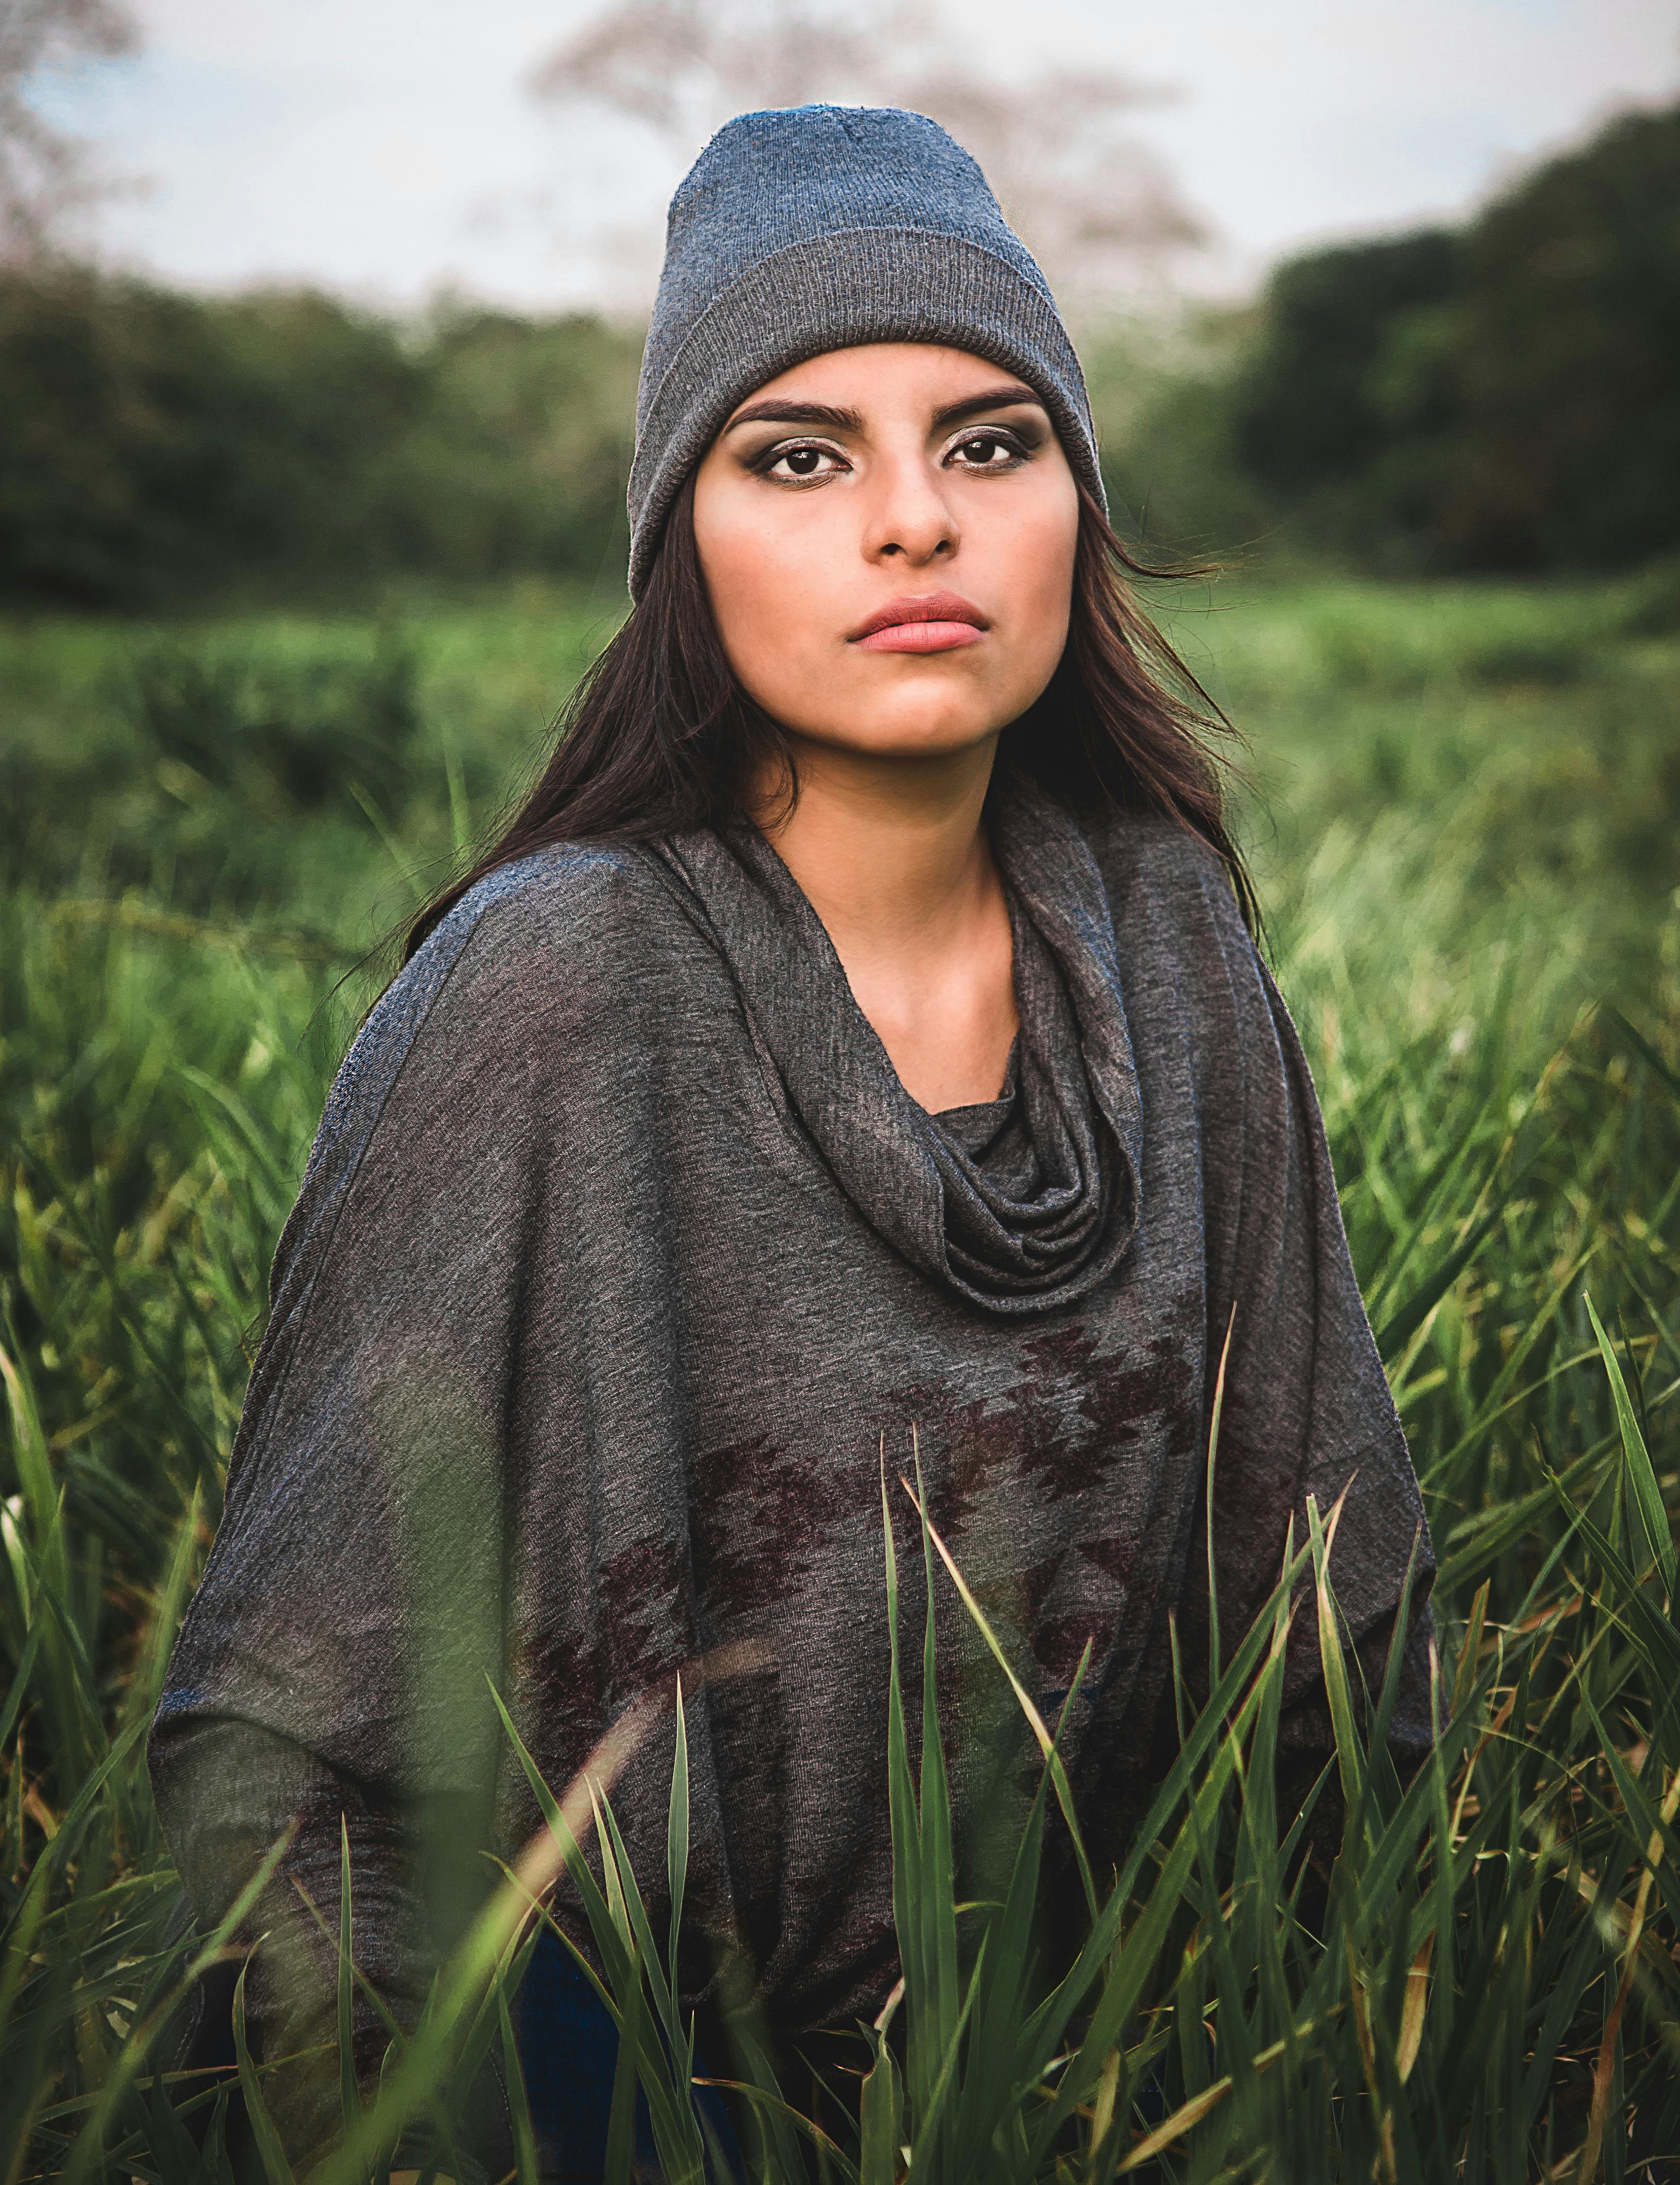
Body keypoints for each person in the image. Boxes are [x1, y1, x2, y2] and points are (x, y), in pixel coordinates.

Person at [150, 106, 1433, 2181]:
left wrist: (1373, 2006)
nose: (914, 521)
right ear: (687, 531)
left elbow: (1317, 1546)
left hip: (1072, 2029)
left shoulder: (1168, 935)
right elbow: (294, 1731)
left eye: (993, 442)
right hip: (589, 2035)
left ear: (1074, 513)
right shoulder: (558, 977)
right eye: (801, 454)